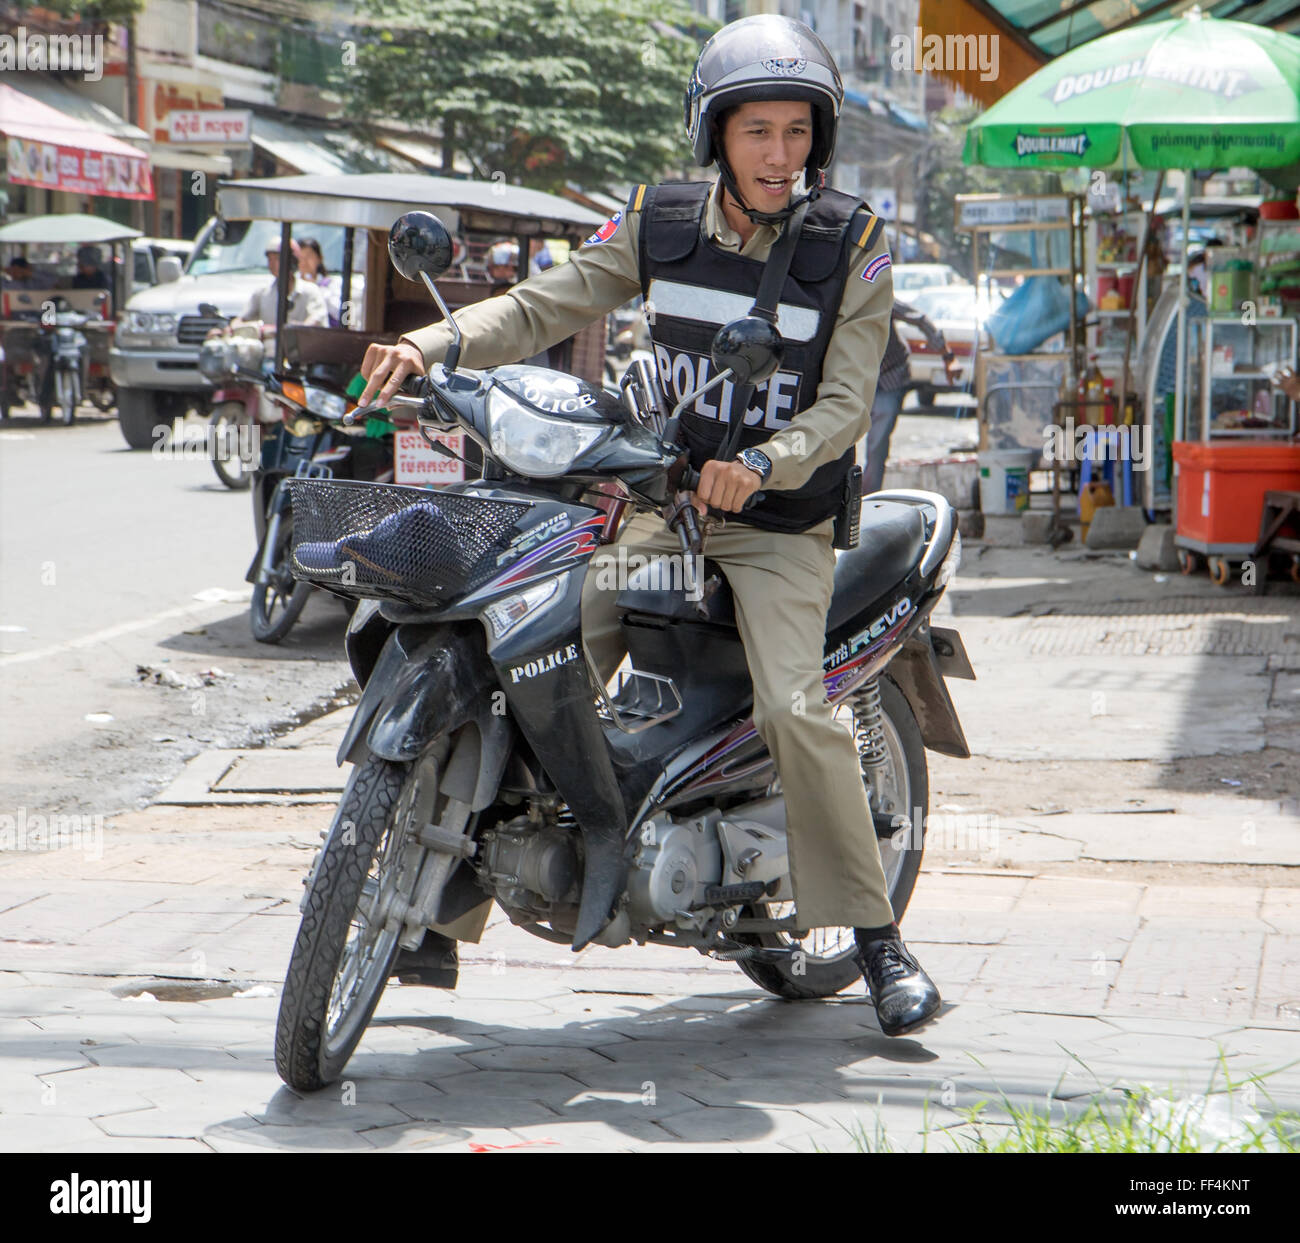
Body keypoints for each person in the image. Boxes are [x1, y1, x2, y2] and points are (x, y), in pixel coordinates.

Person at [359, 14, 942, 1038]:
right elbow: (546, 303)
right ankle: (445, 903)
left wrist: (763, 464)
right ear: (715, 133)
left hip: (777, 526)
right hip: (660, 509)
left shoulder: (853, 242)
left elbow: (847, 402)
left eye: (797, 133)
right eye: (756, 131)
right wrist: (434, 341)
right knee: (522, 648)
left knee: (795, 708)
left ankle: (878, 937)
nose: (779, 154)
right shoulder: (657, 220)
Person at [862, 299, 955, 494]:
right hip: (859, 377)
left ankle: (868, 499)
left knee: (876, 443)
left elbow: (919, 319)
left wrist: (947, 356)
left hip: (890, 376)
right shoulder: (837, 301)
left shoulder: (877, 295)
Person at [236, 240, 329, 336]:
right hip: (269, 349)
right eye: (269, 260)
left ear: (292, 261)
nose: (272, 264)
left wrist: (295, 329)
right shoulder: (261, 293)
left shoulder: (310, 291)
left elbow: (316, 319)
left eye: (277, 259)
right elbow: (240, 320)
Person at [297, 236, 342, 326]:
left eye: (308, 256)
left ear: (319, 258)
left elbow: (341, 313)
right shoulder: (293, 285)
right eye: (300, 257)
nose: (304, 262)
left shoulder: (331, 285)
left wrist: (317, 289)